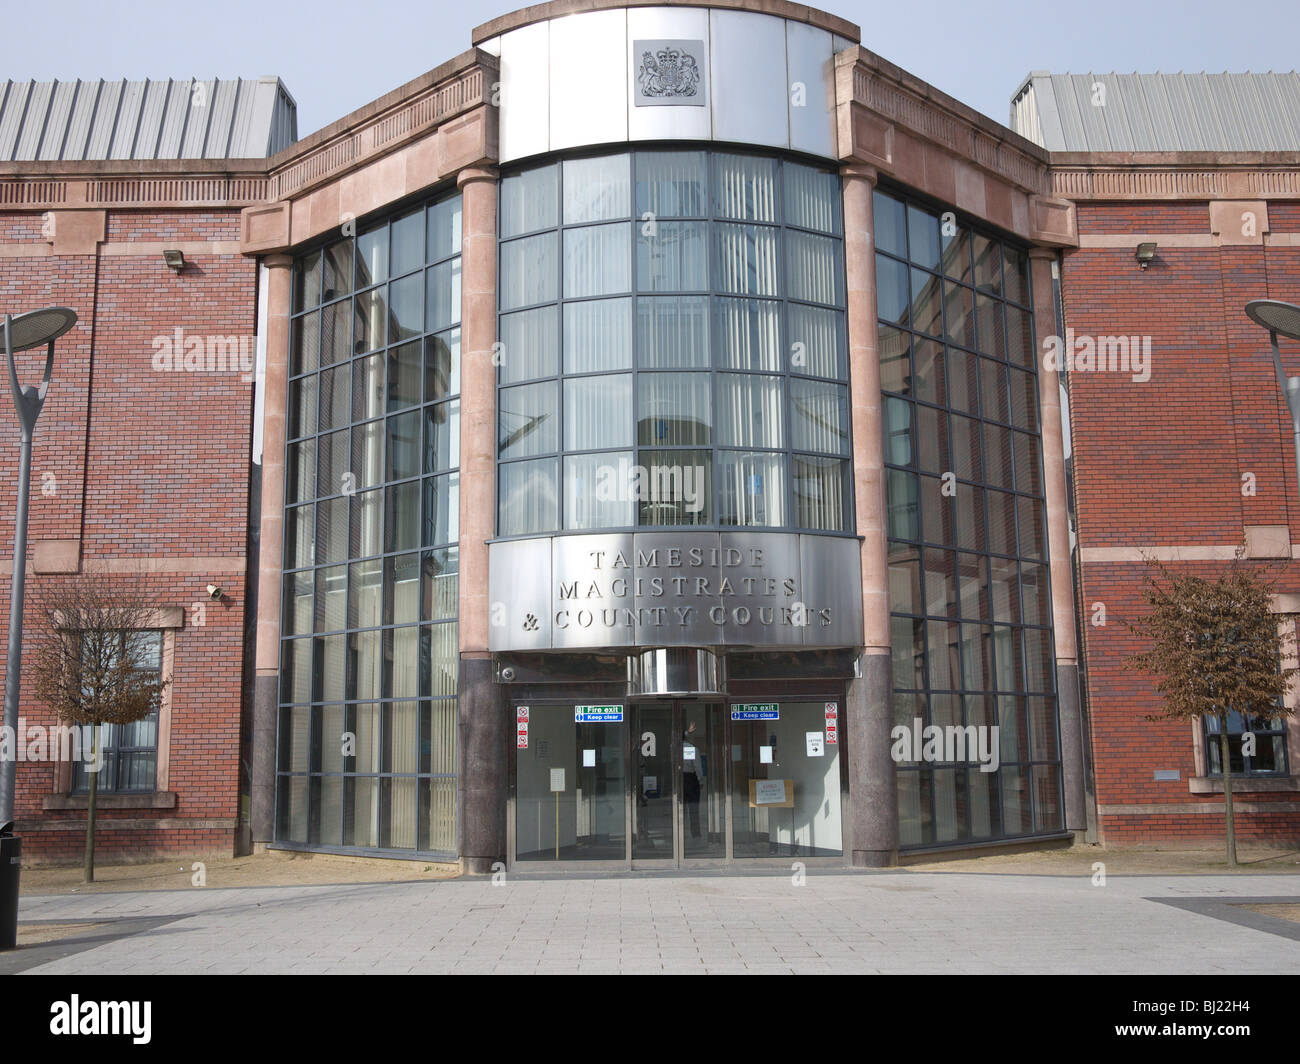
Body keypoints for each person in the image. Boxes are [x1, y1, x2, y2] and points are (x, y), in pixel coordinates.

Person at [682, 720, 703, 838]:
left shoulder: (674, 748)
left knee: (681, 806)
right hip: (691, 779)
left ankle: (680, 831)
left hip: (679, 779)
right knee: (693, 807)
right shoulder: (692, 749)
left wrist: (686, 732)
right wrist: (701, 780)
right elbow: (697, 766)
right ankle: (695, 832)